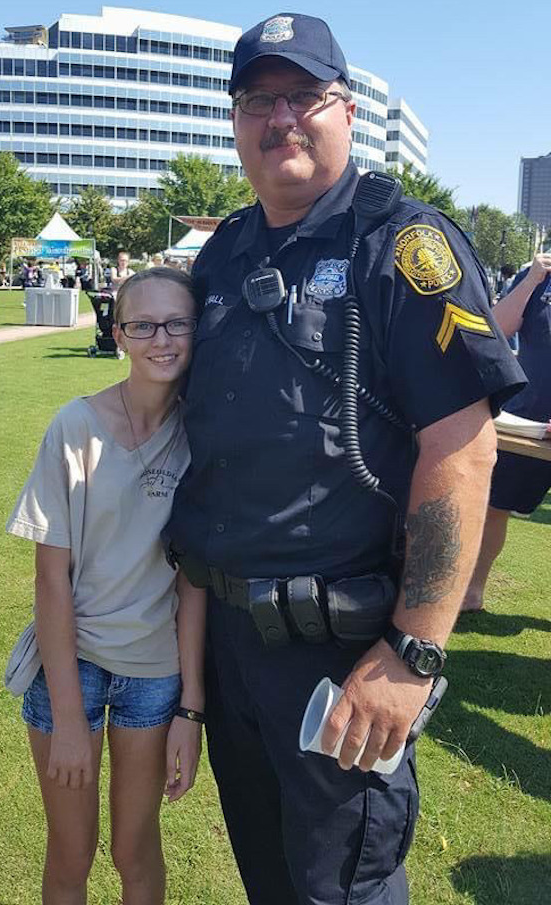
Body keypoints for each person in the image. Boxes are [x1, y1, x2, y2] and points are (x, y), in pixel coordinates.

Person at [166, 13, 525, 905]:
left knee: (343, 890)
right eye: (258, 101)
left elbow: (462, 443)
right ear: (236, 122)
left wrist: (415, 650)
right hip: (230, 649)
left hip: (345, 655)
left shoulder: (404, 244)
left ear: (347, 110)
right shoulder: (222, 253)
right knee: (272, 883)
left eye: (303, 97)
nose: (280, 118)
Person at [5, 267, 206, 904]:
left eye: (178, 323)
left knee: (135, 849)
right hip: (73, 668)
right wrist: (68, 720)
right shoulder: (75, 427)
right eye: (143, 325)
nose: (162, 339)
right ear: (118, 334)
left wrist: (190, 710)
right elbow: (51, 578)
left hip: (154, 674)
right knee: (72, 852)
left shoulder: (205, 439)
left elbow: (196, 582)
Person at [462, 252, 551, 612]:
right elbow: (496, 330)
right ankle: (472, 591)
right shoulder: (538, 277)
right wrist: (531, 280)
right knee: (495, 505)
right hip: (527, 419)